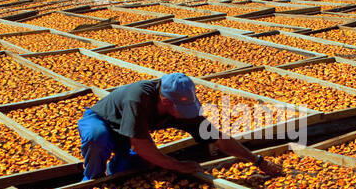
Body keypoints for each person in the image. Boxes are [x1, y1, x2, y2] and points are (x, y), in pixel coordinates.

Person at [77, 72, 284, 181]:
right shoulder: (138, 99)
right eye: (182, 109)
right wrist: (176, 164)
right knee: (98, 137)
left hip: (129, 132)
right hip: (101, 121)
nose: (185, 114)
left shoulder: (181, 110)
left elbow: (219, 138)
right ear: (165, 102)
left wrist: (257, 161)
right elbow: (140, 144)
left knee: (146, 164)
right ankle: (93, 180)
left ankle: (115, 170)